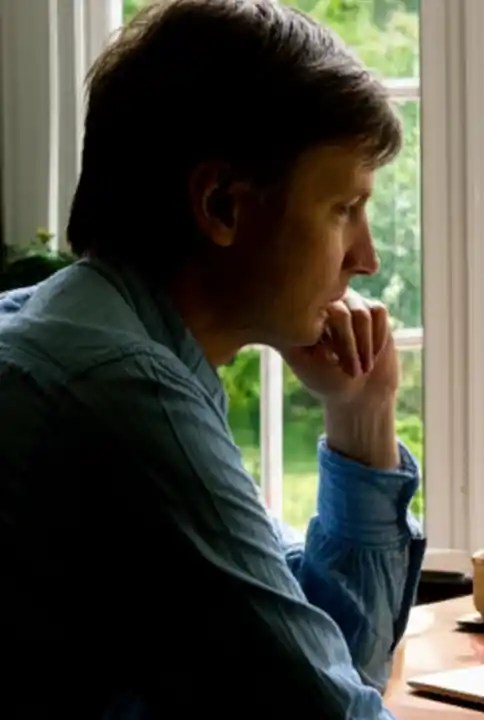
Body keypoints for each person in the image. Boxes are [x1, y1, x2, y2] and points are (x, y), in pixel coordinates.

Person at [0, 1, 425, 717]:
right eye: (343, 207)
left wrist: (363, 415)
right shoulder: (119, 391)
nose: (367, 259)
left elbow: (323, 664)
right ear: (223, 204)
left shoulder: (83, 336)